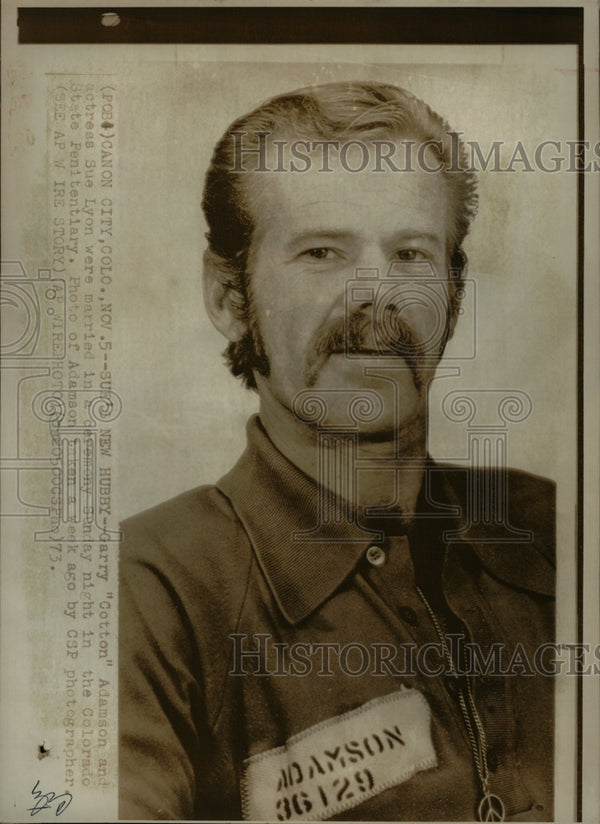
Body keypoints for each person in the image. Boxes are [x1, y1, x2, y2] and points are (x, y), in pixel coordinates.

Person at [119, 81, 555, 822]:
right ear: (230, 299)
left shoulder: (552, 526)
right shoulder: (150, 591)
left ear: (453, 294)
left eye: (411, 252)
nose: (376, 292)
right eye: (322, 251)